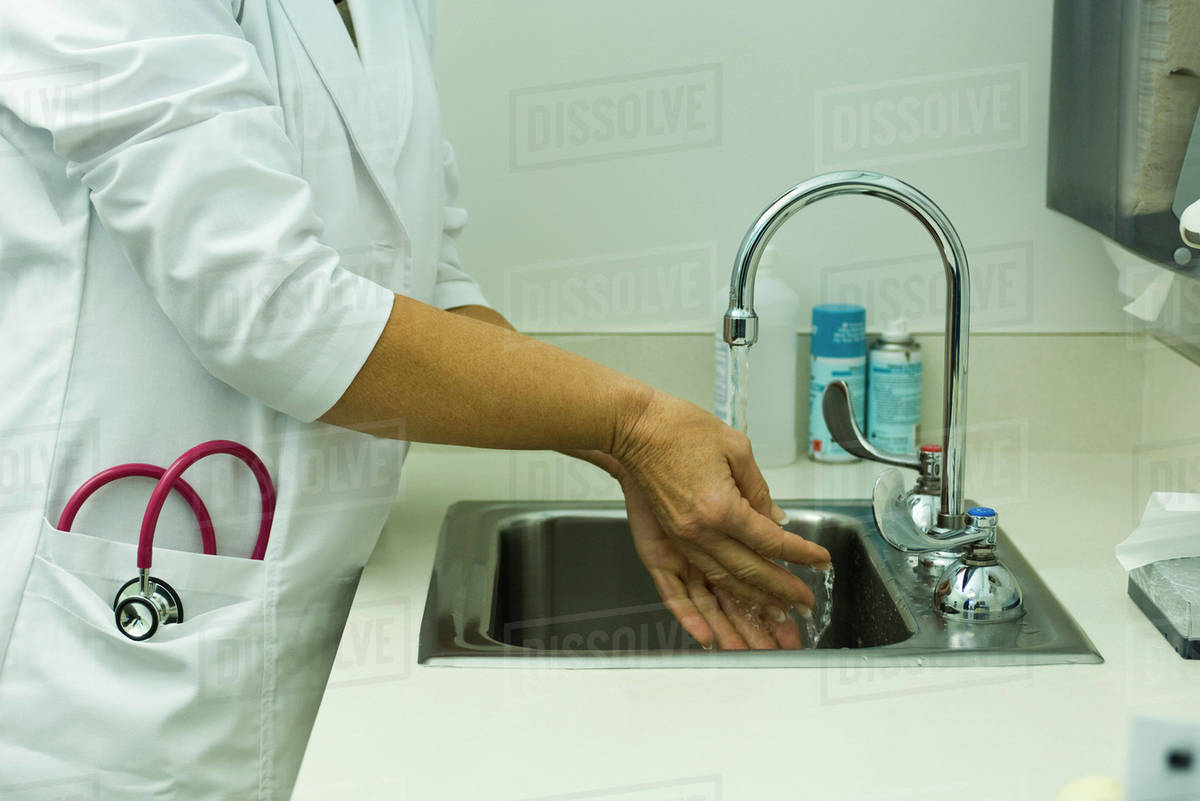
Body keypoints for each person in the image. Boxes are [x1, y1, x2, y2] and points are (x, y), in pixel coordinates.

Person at [0, 0, 830, 796]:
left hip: (307, 608)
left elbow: (423, 273)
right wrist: (631, 422)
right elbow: (270, 308)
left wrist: (621, 447)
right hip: (112, 644)